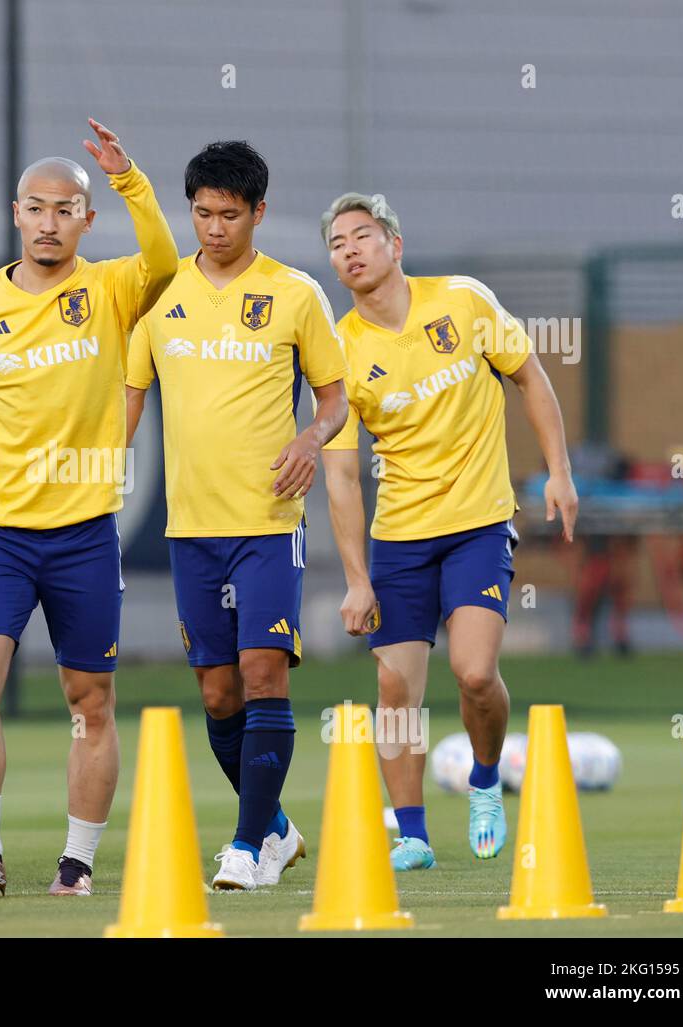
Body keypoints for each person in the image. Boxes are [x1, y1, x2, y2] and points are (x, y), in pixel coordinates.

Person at [0, 120, 177, 898]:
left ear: (86, 219)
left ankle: (75, 862)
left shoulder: (109, 288)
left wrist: (129, 178)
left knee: (90, 698)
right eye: (36, 208)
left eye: (65, 209)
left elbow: (168, 262)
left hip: (83, 532)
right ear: (17, 214)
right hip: (1, 530)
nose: (49, 222)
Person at [319, 192, 578, 870]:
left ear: (395, 245)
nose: (349, 249)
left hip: (478, 524)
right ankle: (412, 834)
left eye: (362, 235)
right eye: (337, 243)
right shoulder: (340, 350)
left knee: (473, 672)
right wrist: (355, 578)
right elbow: (342, 475)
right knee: (395, 689)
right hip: (400, 539)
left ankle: (486, 779)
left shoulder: (462, 300)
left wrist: (559, 472)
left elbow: (530, 375)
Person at [125, 141, 348, 891]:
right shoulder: (161, 295)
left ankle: (248, 848)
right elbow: (128, 398)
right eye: (202, 213)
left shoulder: (295, 292)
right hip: (191, 529)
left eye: (229, 214)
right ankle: (278, 828)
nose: (214, 228)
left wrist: (312, 437)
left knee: (263, 678)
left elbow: (336, 397)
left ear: (259, 211)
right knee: (218, 694)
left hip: (269, 522)